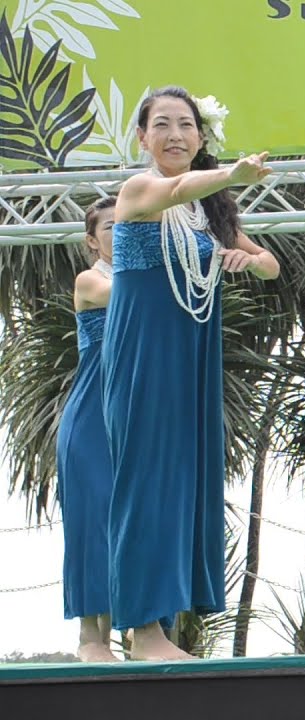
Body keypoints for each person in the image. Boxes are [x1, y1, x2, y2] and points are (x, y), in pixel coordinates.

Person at [104, 86, 278, 661]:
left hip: (191, 352)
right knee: (147, 479)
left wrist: (245, 259)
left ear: (201, 137)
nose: (175, 135)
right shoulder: (140, 189)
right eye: (163, 124)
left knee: (181, 481)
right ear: (142, 137)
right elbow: (178, 186)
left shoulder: (208, 212)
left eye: (186, 125)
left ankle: (164, 630)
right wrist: (235, 172)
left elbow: (271, 265)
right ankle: (144, 632)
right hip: (145, 352)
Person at [56, 196, 119, 662]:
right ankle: (90, 638)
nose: (122, 234)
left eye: (130, 226)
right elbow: (138, 301)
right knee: (92, 522)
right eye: (113, 228)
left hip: (136, 417)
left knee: (135, 521)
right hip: (93, 418)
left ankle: (137, 629)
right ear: (91, 240)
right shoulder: (91, 280)